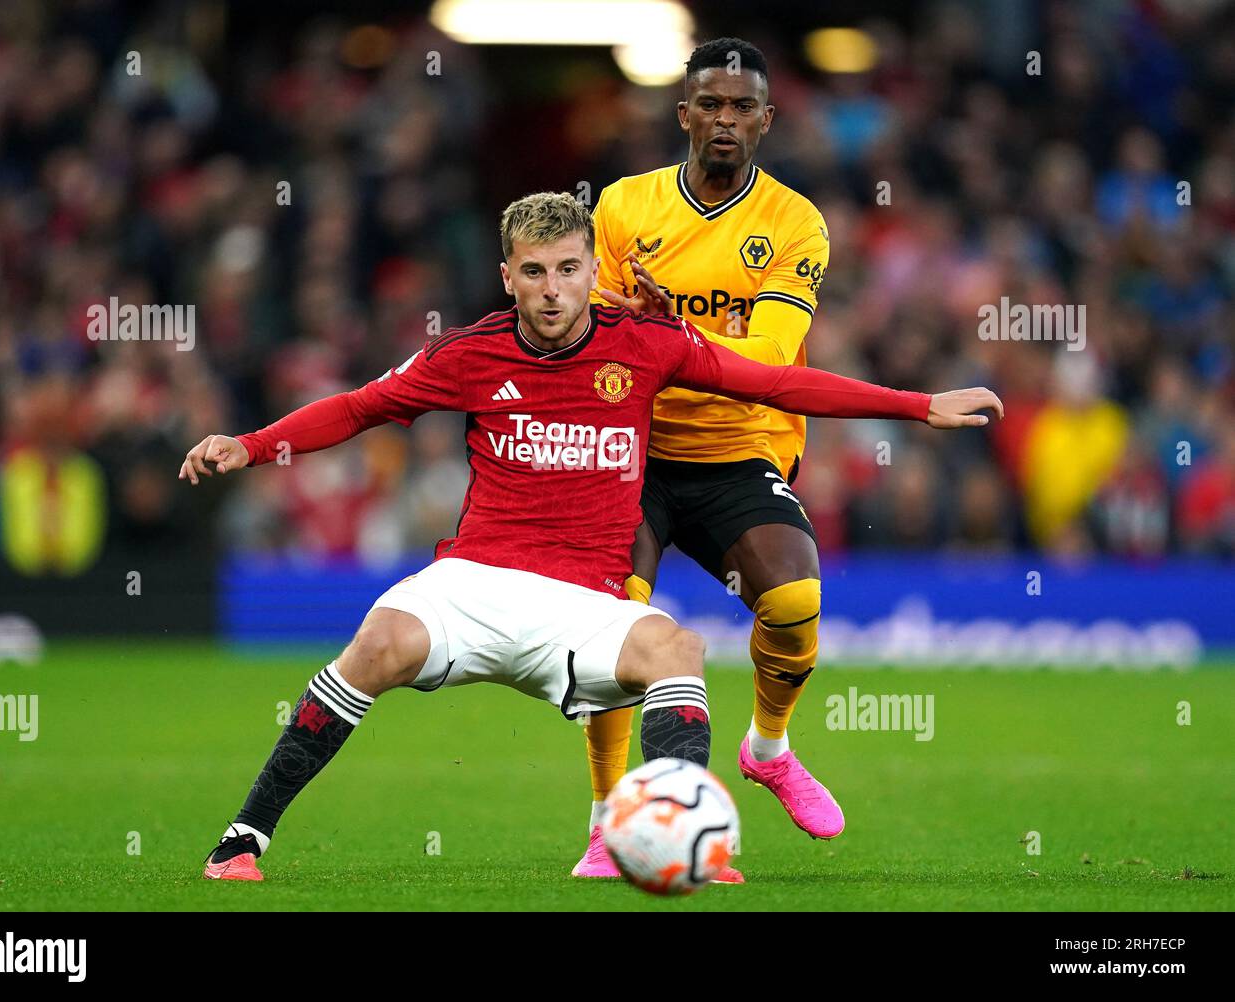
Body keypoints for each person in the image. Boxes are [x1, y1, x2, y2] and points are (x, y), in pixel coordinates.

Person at [183, 191, 1001, 881]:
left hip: (583, 605)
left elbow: (778, 380)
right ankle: (243, 841)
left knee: (677, 651)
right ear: (507, 277)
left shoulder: (645, 344)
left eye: (568, 269)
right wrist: (249, 445)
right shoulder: (467, 354)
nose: (551, 290)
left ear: (591, 272)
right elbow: (359, 407)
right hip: (471, 583)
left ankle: (680, 836)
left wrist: (917, 405)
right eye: (533, 273)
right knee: (375, 641)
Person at [574, 37, 855, 878]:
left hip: (738, 445)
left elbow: (770, 355)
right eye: (711, 104)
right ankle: (604, 818)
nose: (725, 120)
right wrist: (635, 331)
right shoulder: (624, 207)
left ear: (766, 121)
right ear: (683, 113)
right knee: (617, 625)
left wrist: (669, 329)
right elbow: (585, 338)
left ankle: (768, 749)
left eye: (743, 107)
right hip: (638, 448)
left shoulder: (794, 221)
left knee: (798, 597)